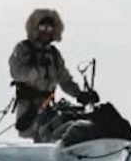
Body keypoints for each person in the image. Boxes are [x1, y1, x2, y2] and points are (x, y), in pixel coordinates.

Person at [9, 8, 98, 139]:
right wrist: (39, 71)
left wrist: (80, 94)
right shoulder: (24, 49)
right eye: (43, 27)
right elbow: (17, 72)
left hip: (48, 105)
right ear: (35, 28)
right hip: (28, 105)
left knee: (50, 134)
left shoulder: (54, 54)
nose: (46, 31)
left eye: (50, 28)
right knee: (28, 137)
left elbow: (65, 80)